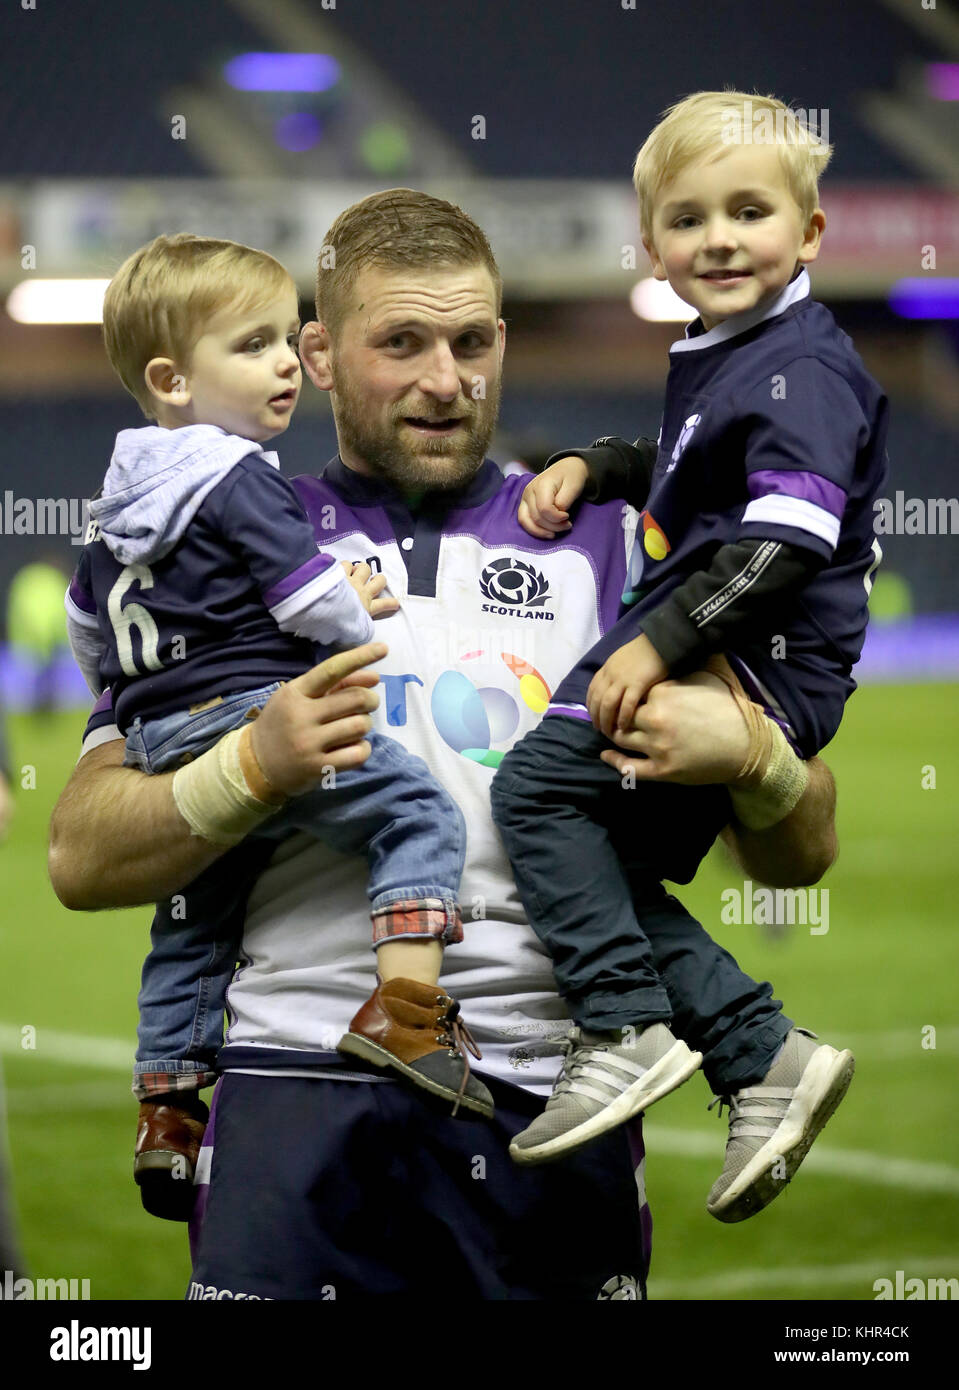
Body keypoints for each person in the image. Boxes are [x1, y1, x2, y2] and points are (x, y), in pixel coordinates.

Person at [48, 189, 840, 1300]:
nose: (444, 379)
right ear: (317, 355)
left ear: (502, 343)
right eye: (401, 343)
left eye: (471, 342)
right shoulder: (212, 550)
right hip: (295, 1088)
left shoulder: (617, 548)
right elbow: (81, 856)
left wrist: (756, 757)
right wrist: (250, 767)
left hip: (554, 1097)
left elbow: (799, 847)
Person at [490, 91, 887, 1222]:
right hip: (741, 651)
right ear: (651, 242)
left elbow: (788, 537)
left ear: (808, 233)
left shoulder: (797, 365)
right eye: (686, 217)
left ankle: (620, 1025)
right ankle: (760, 1053)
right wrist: (602, 464)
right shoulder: (729, 352)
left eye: (748, 211)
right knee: (603, 867)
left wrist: (661, 640)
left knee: (531, 795)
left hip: (741, 658)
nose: (716, 237)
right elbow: (697, 476)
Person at [63, 232, 492, 1219]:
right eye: (252, 346)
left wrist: (132, 708)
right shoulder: (236, 471)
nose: (280, 367)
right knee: (417, 814)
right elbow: (305, 596)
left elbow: (91, 628)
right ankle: (406, 1012)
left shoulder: (119, 503)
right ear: (172, 379)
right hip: (253, 713)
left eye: (279, 342)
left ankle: (167, 1106)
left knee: (194, 918)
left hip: (160, 729)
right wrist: (359, 604)